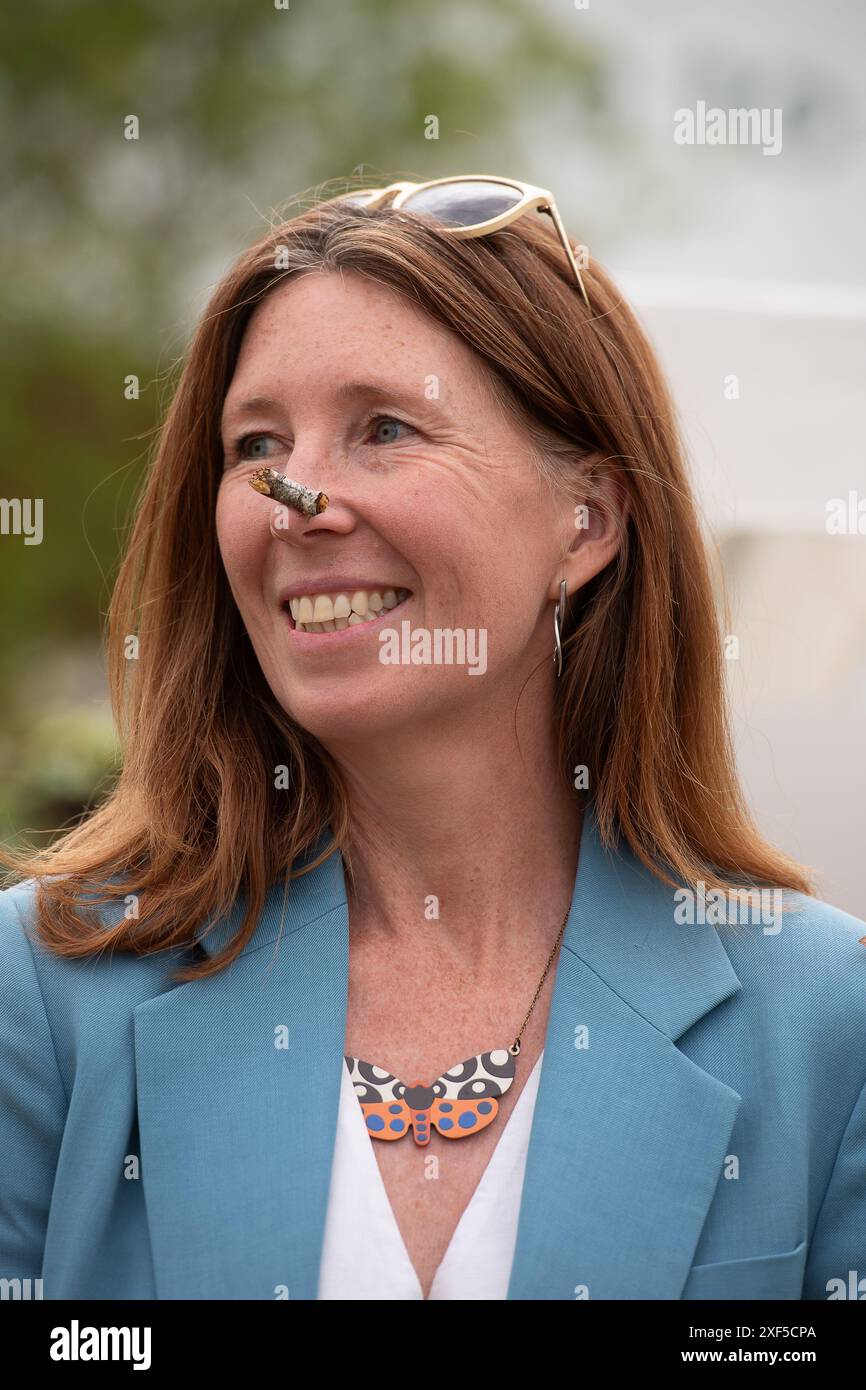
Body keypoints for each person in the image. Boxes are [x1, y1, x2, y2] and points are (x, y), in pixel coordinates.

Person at [1, 176, 864, 1302]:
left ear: (585, 519)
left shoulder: (825, 1023)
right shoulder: (45, 988)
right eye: (255, 441)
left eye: (385, 428)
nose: (292, 500)